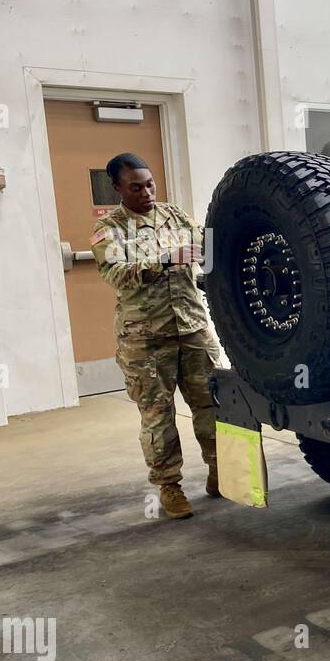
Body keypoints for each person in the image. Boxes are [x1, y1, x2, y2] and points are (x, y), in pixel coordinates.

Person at [91, 153, 220, 519]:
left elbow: (206, 249)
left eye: (149, 184)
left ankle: (219, 470)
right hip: (145, 339)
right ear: (117, 188)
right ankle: (170, 487)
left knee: (213, 404)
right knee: (158, 416)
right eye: (136, 187)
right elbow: (116, 274)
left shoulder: (174, 215)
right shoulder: (109, 229)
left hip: (193, 329)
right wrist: (164, 259)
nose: (146, 192)